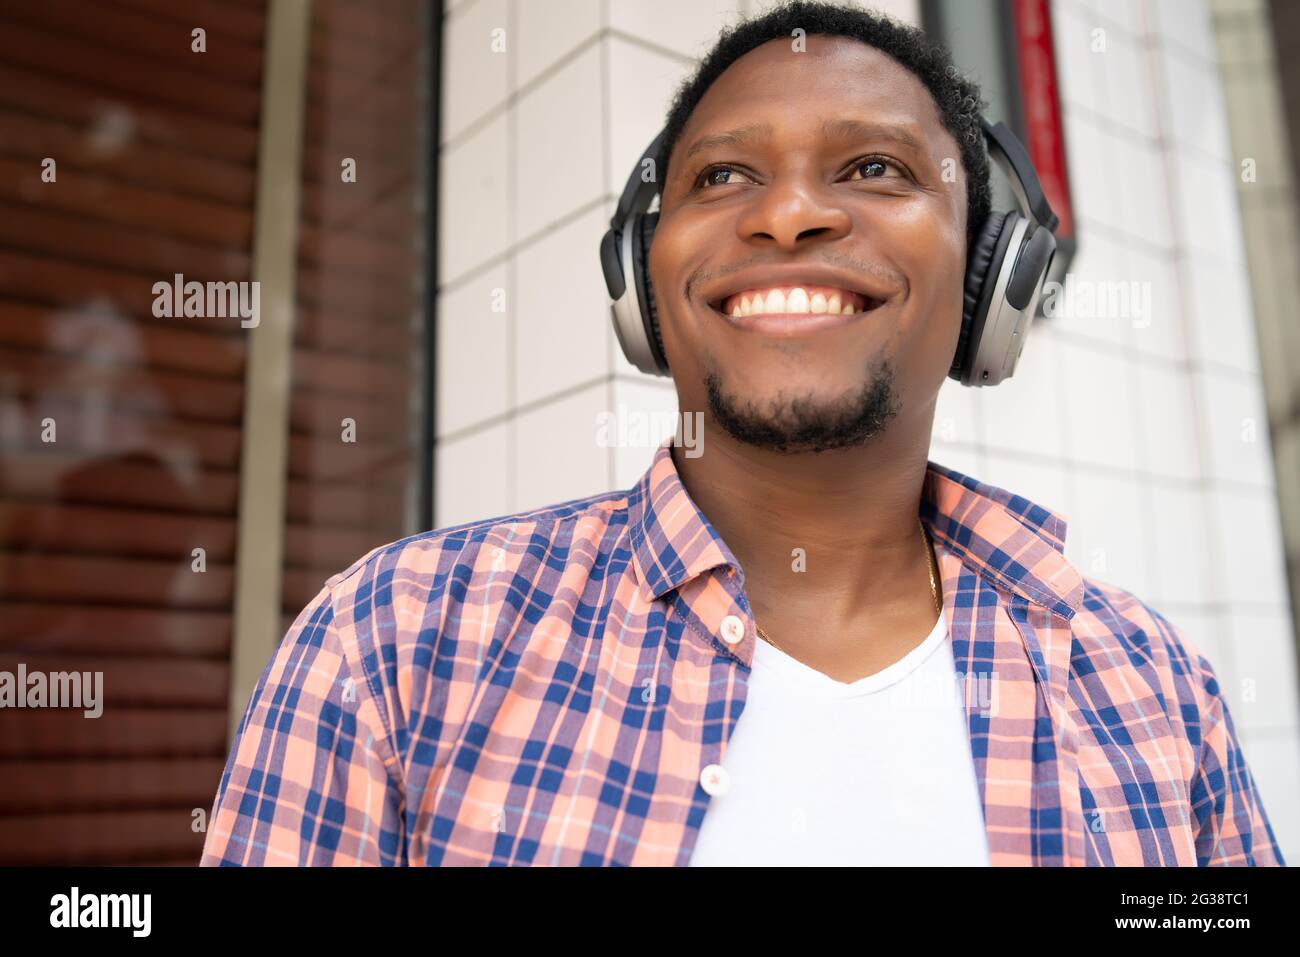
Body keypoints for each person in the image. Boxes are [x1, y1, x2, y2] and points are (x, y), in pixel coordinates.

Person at [201, 0, 1283, 866]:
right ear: (641, 276)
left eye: (874, 168)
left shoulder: (1154, 690)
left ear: (988, 279)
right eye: (722, 177)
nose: (787, 216)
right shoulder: (393, 642)